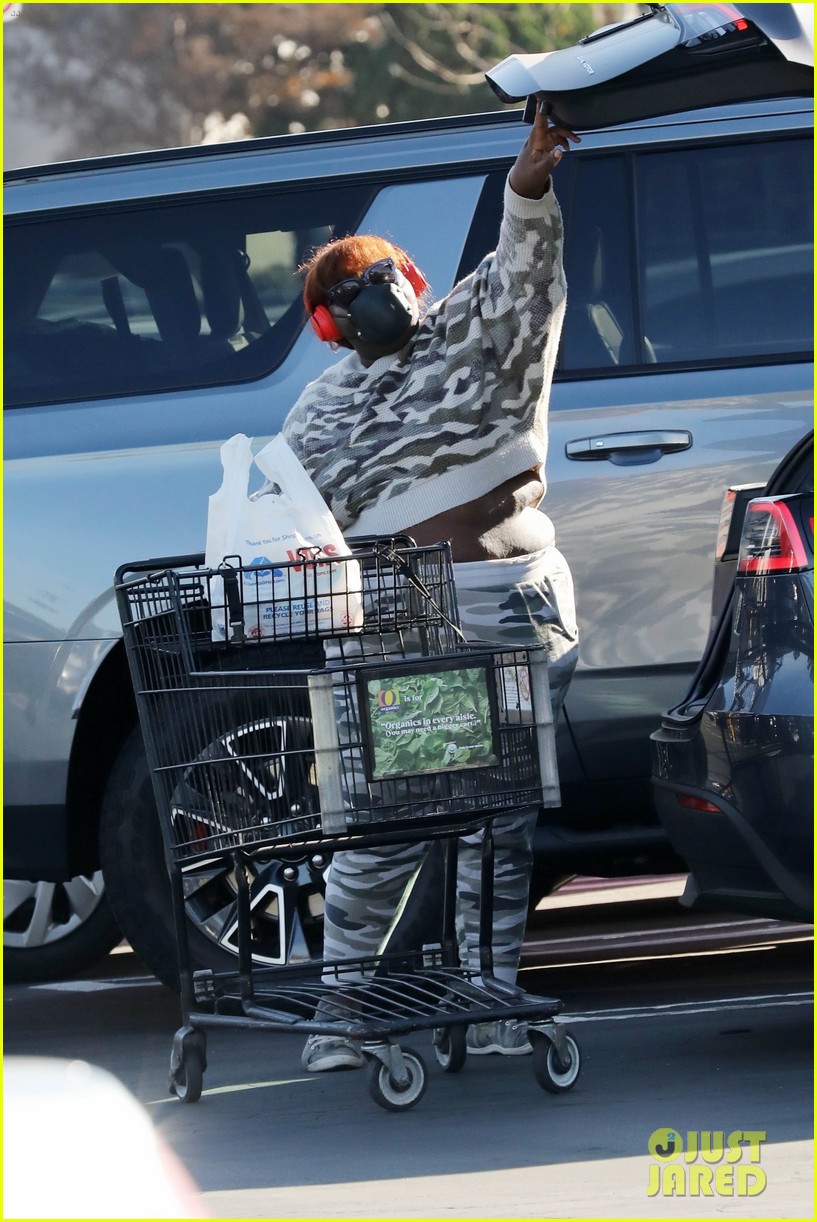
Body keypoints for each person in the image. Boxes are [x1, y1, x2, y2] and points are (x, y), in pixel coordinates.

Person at [282, 103, 580, 1072]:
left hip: (510, 605)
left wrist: (527, 182)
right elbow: (299, 520)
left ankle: (490, 1005)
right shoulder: (319, 410)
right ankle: (342, 1016)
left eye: (385, 273)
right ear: (329, 323)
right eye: (352, 288)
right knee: (394, 827)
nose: (378, 293)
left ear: (413, 277)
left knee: (500, 826)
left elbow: (525, 276)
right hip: (406, 627)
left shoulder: (472, 333)